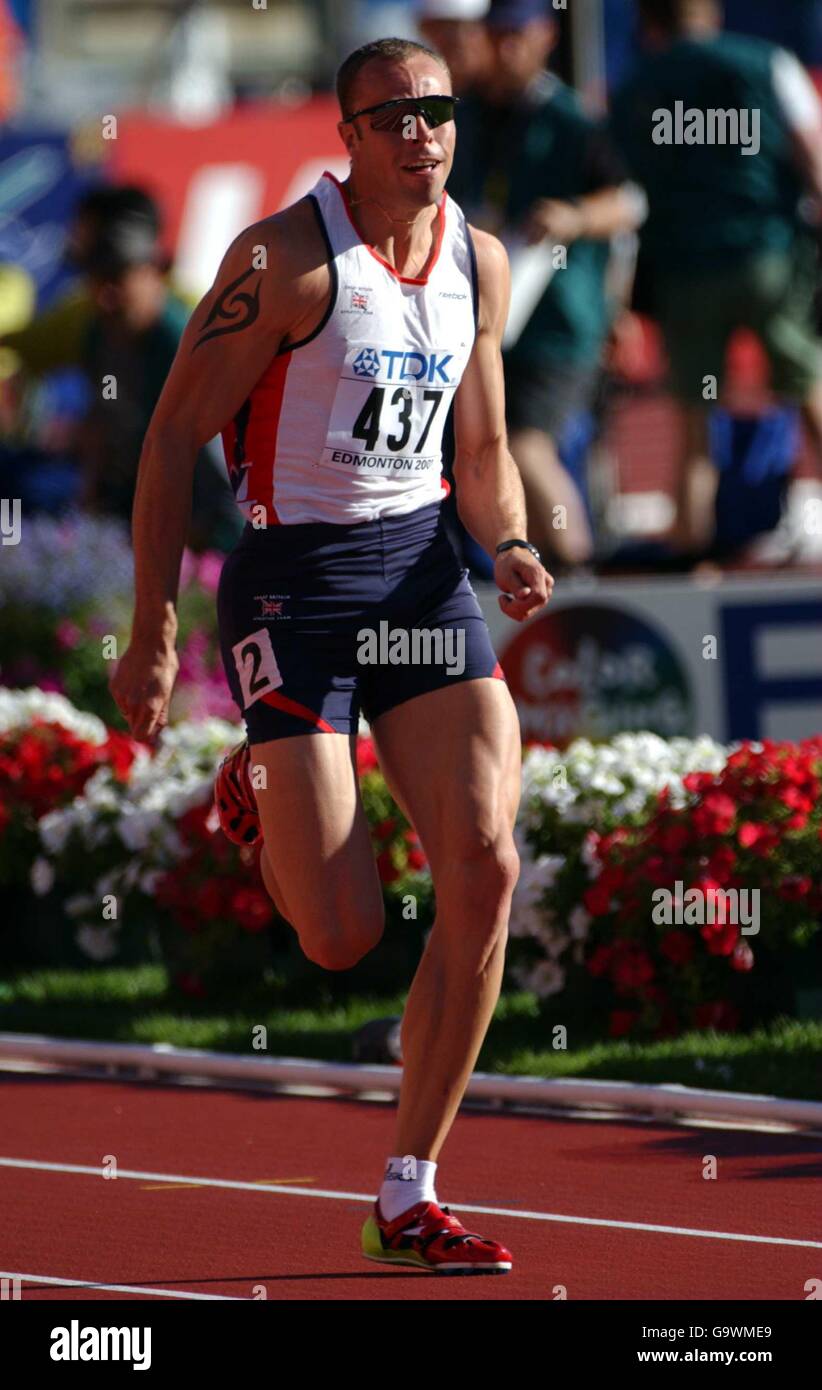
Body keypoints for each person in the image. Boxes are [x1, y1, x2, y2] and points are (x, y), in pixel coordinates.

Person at [111, 35, 553, 1274]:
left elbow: (484, 443)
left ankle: (409, 1189)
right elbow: (167, 440)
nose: (423, 133)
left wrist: (508, 537)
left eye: (439, 112)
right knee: (342, 937)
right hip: (294, 586)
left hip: (420, 573)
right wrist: (151, 630)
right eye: (394, 116)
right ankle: (260, 793)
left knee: (487, 861)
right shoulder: (285, 261)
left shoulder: (482, 259)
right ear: (348, 136)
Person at [611, 0, 822, 555]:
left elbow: (624, 186)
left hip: (686, 272)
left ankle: (693, 548)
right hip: (768, 257)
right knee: (809, 389)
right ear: (710, 14)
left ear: (650, 26)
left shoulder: (636, 85)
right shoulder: (768, 61)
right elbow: (813, 158)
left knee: (693, 416)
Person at [447, 0, 644, 568]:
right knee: (483, 449)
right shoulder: (467, 115)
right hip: (485, 319)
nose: (505, 47)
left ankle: (579, 572)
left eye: (518, 34)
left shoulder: (573, 121)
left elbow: (629, 203)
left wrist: (575, 218)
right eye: (496, 34)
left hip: (558, 322)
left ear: (545, 37)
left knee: (527, 442)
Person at [1, 185, 239, 549]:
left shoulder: (187, 345)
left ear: (155, 268)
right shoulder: (96, 329)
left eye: (117, 277)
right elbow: (103, 426)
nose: (104, 295)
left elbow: (223, 481)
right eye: (95, 277)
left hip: (206, 537)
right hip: (130, 518)